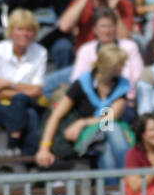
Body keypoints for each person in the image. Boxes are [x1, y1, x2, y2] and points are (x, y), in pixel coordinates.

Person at [34, 43, 132, 176]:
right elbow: (56, 116)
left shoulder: (121, 84)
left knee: (110, 137)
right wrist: (44, 148)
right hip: (85, 137)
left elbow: (111, 117)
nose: (122, 68)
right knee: (113, 130)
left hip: (103, 132)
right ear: (108, 67)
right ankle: (131, 173)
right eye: (119, 65)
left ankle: (114, 190)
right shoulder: (83, 83)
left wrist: (82, 123)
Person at [0, 8, 46, 157]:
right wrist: (25, 89)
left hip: (28, 102)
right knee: (29, 114)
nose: (25, 34)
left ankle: (12, 145)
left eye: (29, 30)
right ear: (11, 31)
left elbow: (37, 91)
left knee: (22, 101)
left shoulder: (40, 52)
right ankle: (30, 163)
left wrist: (8, 84)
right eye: (20, 29)